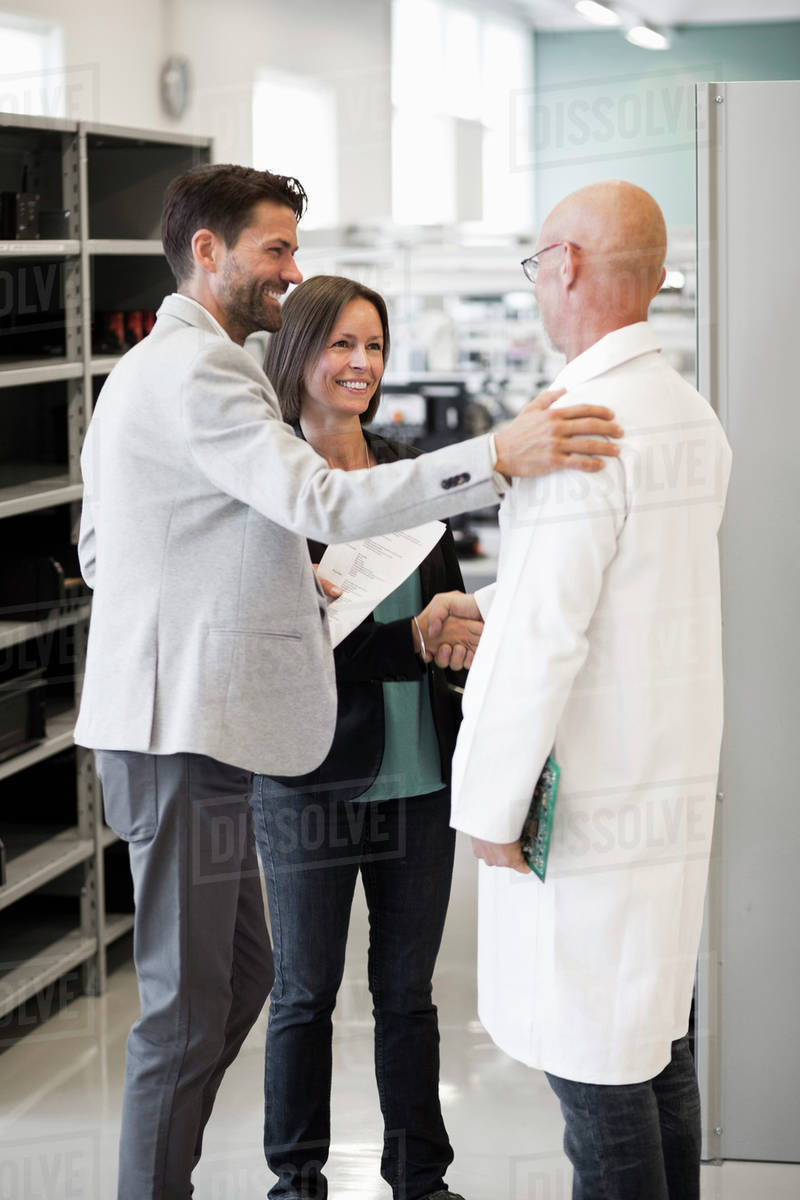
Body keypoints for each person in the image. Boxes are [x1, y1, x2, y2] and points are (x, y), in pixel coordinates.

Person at [73, 162, 623, 1200]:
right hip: (176, 732)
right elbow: (317, 491)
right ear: (207, 251)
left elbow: (110, 547)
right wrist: (495, 456)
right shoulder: (198, 371)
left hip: (201, 733)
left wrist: (276, 573)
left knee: (238, 983)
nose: (291, 270)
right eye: (274, 249)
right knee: (186, 1009)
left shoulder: (163, 368)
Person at [449, 180, 732, 1200]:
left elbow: (544, 640)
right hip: (657, 783)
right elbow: (617, 594)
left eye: (536, 266)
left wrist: (488, 802)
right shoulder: (682, 412)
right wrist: (493, 598)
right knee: (651, 1044)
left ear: (563, 265)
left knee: (594, 1077)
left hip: (587, 812)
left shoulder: (580, 424)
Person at [251, 274, 472, 1200]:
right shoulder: (267, 481)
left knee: (409, 997)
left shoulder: (401, 470)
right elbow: (273, 644)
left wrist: (460, 628)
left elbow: (446, 595)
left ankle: (420, 1177)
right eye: (341, 344)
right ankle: (296, 1179)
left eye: (373, 346)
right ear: (299, 354)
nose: (360, 364)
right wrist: (402, 645)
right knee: (303, 994)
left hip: (420, 776)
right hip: (308, 776)